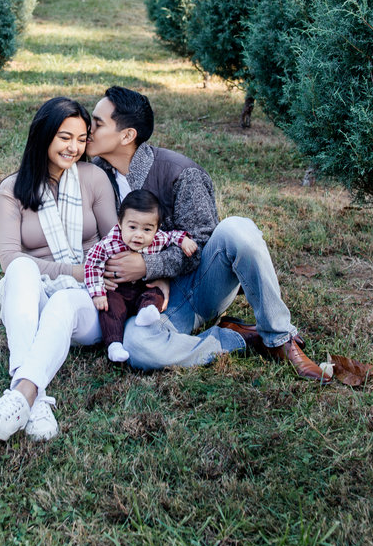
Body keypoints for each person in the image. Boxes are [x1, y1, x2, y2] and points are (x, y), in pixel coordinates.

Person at [85, 85, 330, 382]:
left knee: (237, 229)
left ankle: (280, 338)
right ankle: (239, 339)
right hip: (149, 301)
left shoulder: (180, 173)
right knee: (138, 347)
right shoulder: (95, 174)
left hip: (199, 285)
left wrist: (150, 266)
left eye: (97, 123)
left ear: (127, 136)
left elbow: (202, 244)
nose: (88, 130)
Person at [0, 97, 117, 443]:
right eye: (65, 137)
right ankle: (32, 402)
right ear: (44, 135)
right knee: (20, 268)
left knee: (60, 303)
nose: (74, 147)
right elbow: (9, 257)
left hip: (88, 299)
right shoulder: (13, 189)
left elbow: (115, 243)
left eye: (82, 139)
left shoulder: (93, 178)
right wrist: (73, 270)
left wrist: (85, 276)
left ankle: (22, 396)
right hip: (35, 292)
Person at [84, 189, 197, 363]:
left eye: (147, 229)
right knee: (110, 309)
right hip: (118, 290)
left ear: (156, 229)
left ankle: (147, 312)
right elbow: (92, 263)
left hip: (144, 286)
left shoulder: (157, 238)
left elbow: (171, 236)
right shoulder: (109, 244)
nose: (139, 234)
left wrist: (184, 240)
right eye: (132, 227)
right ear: (120, 223)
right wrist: (98, 292)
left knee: (156, 293)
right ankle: (114, 345)